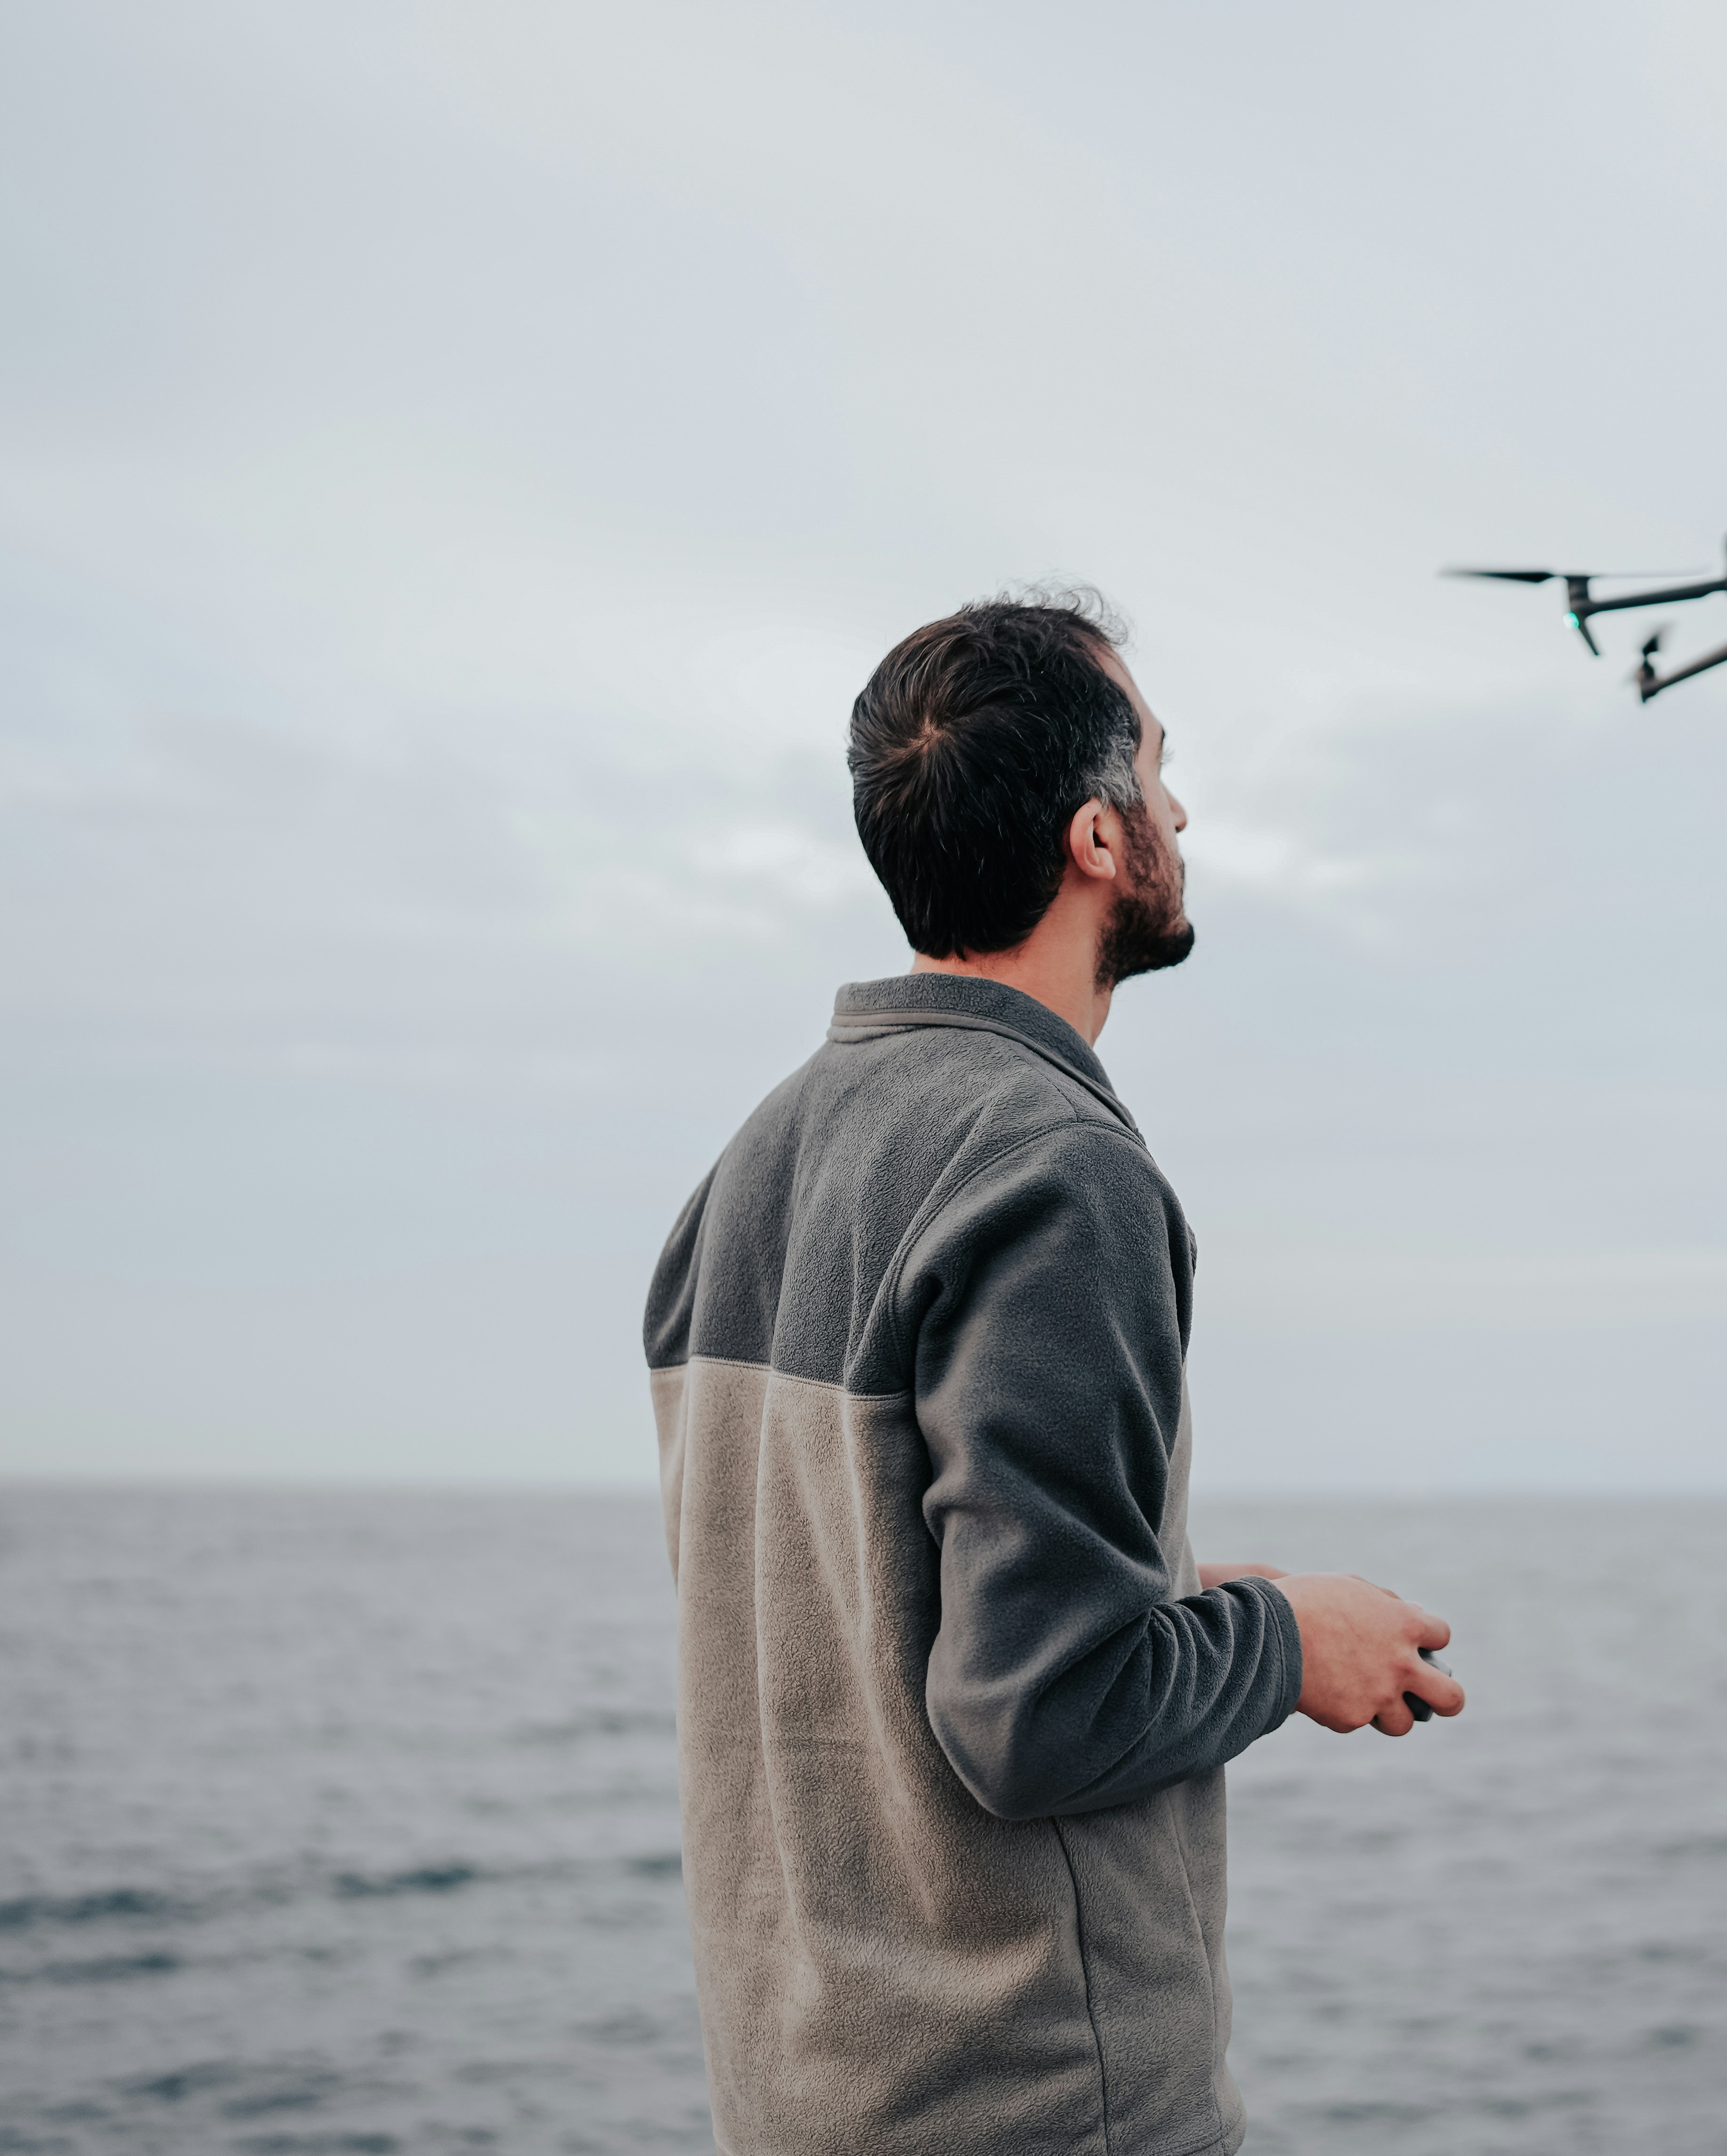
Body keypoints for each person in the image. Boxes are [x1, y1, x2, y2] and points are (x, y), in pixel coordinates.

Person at [642, 590, 1464, 2156]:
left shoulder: (751, 1166)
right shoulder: (1053, 1170)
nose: (1176, 806)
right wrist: (1287, 1643)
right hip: (1032, 2110)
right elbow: (1040, 1714)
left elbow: (867, 1612)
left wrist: (1170, 1581)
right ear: (1098, 838)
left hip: (804, 2103)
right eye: (1157, 769)